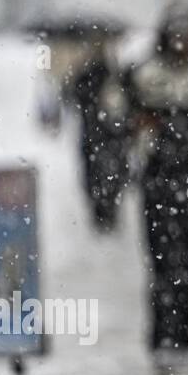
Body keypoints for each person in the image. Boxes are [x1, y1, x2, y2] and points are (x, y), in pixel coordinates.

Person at [125, 2, 188, 375]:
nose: (182, 42)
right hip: (158, 177)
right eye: (176, 35)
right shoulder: (145, 75)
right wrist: (138, 125)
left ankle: (184, 331)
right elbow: (123, 119)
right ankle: (161, 336)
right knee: (161, 261)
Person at [69, 36, 131, 232]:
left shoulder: (112, 74)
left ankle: (105, 212)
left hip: (104, 133)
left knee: (103, 173)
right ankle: (104, 212)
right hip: (100, 133)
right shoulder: (96, 73)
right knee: (102, 173)